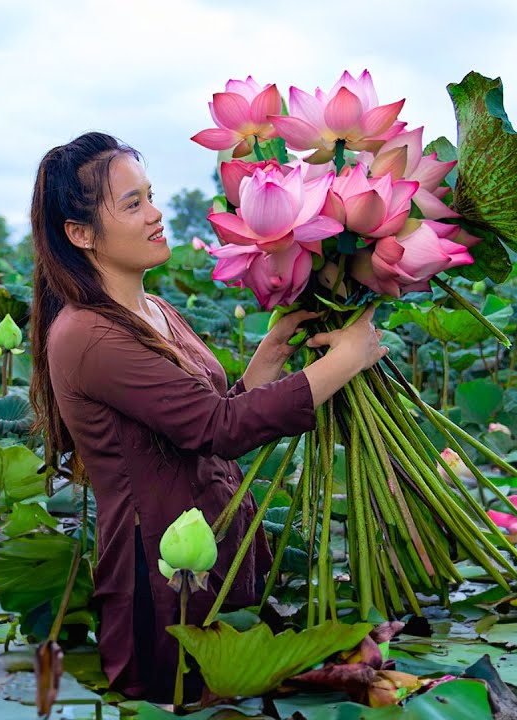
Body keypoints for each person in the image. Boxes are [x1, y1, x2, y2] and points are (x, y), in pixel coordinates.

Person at [27, 132, 387, 702]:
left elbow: (201, 426)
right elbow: (217, 429)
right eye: (133, 204)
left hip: (220, 553)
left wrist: (266, 359)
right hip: (164, 583)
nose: (156, 214)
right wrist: (346, 360)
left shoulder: (154, 310)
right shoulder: (87, 335)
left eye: (150, 196)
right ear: (80, 234)